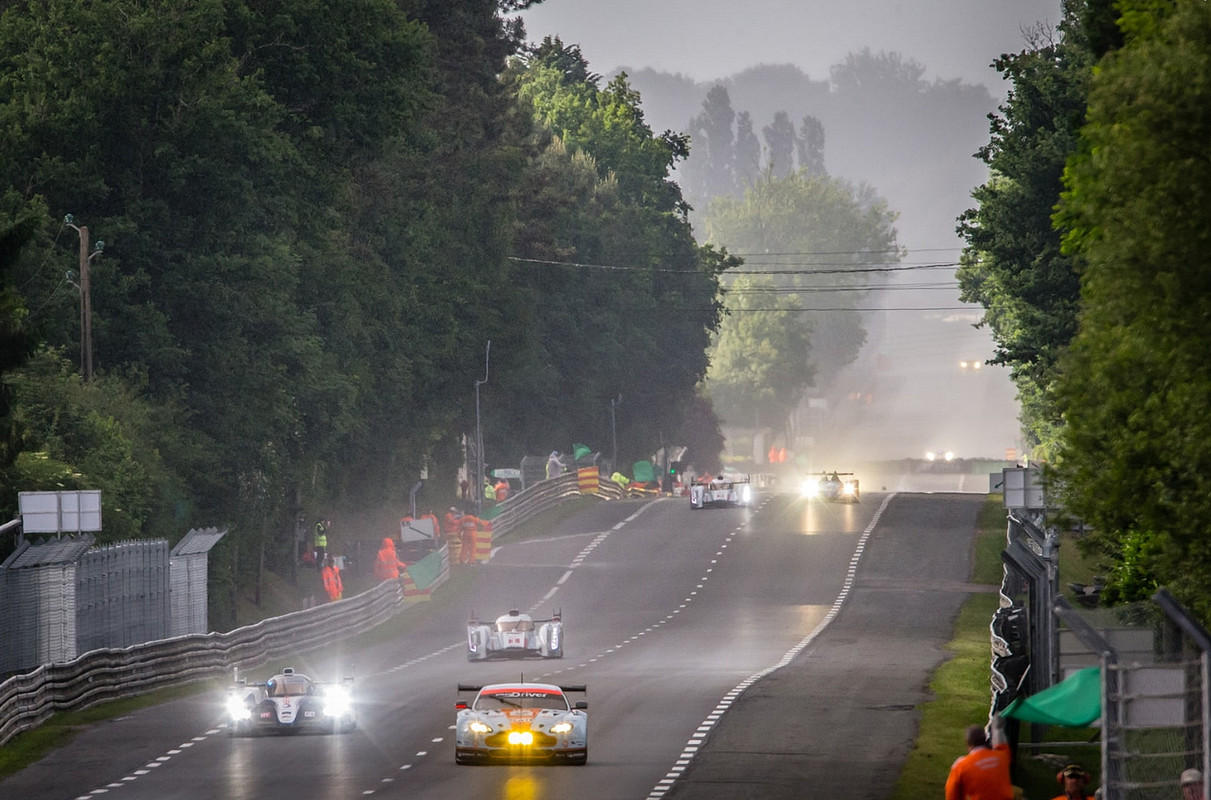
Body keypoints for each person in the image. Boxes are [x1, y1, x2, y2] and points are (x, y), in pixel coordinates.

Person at [945, 718, 1014, 800]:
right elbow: (1003, 746)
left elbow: (951, 794)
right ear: (985, 740)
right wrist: (998, 728)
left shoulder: (960, 766)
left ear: (968, 744)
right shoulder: (1002, 756)